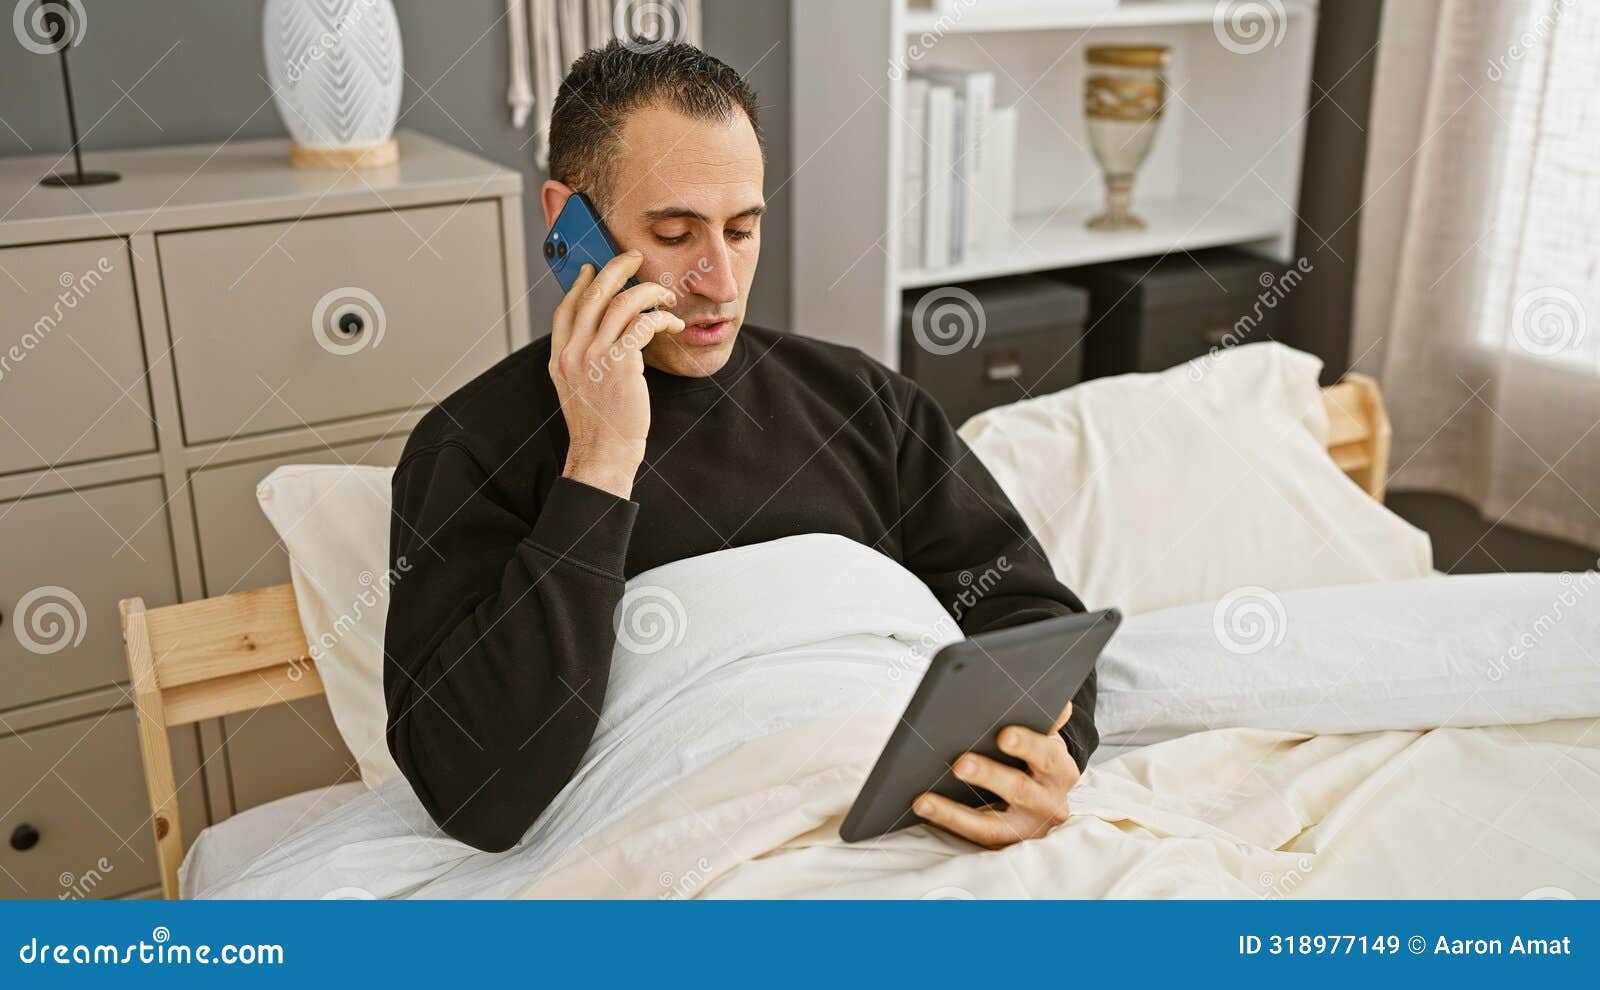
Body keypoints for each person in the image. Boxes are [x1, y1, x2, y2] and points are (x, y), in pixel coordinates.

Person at [383, 40, 1096, 853]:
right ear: (568, 223)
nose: (720, 281)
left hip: (916, 839)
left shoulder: (864, 404)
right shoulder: (470, 448)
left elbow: (1034, 620)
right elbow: (474, 794)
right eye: (675, 233)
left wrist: (1043, 763)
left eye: (743, 229)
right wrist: (600, 465)